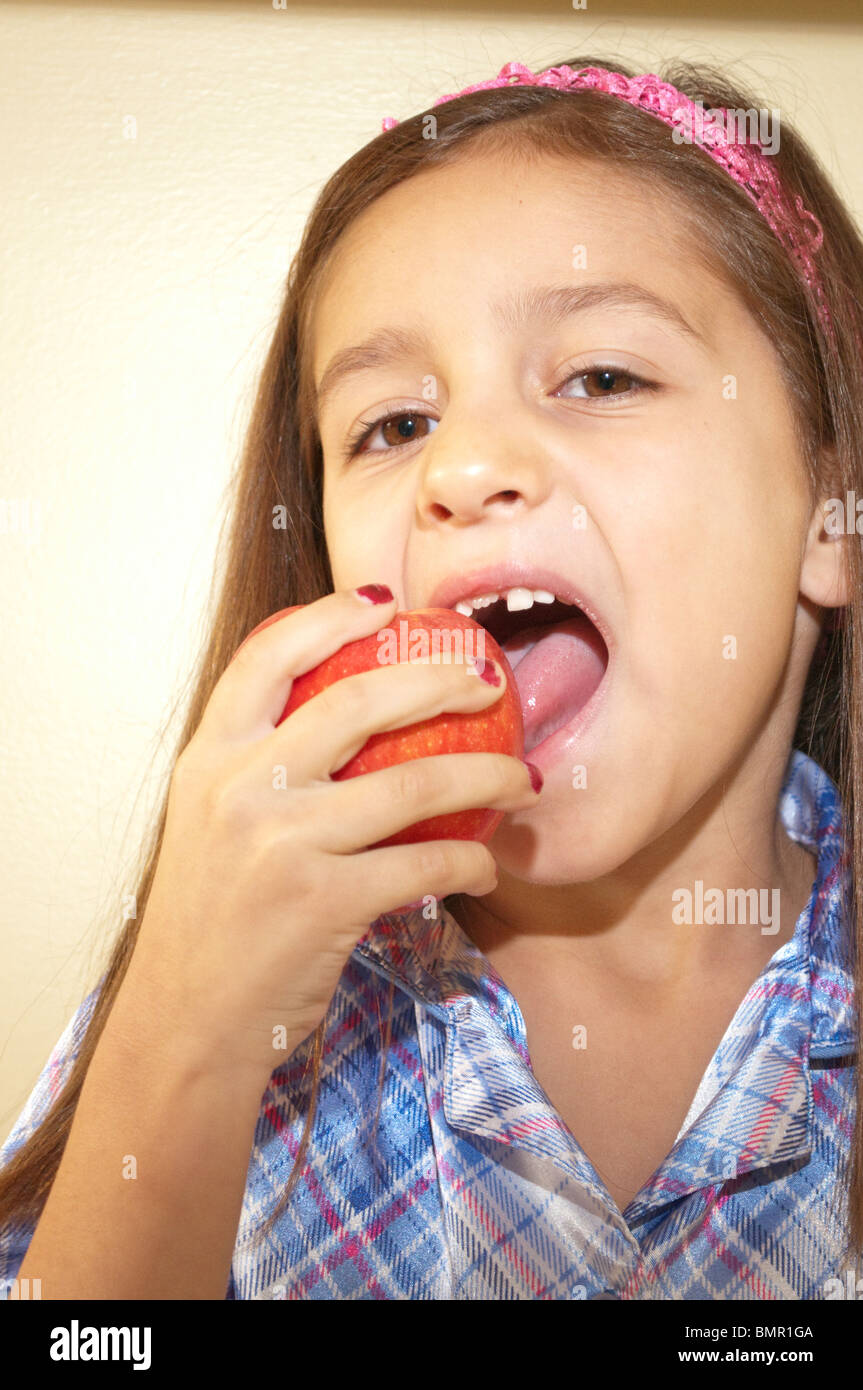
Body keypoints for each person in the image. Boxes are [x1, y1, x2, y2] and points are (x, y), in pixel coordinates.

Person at [1, 54, 861, 1301]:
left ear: (831, 512)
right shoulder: (223, 1001)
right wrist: (181, 1039)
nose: (462, 467)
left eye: (601, 377)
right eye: (394, 425)